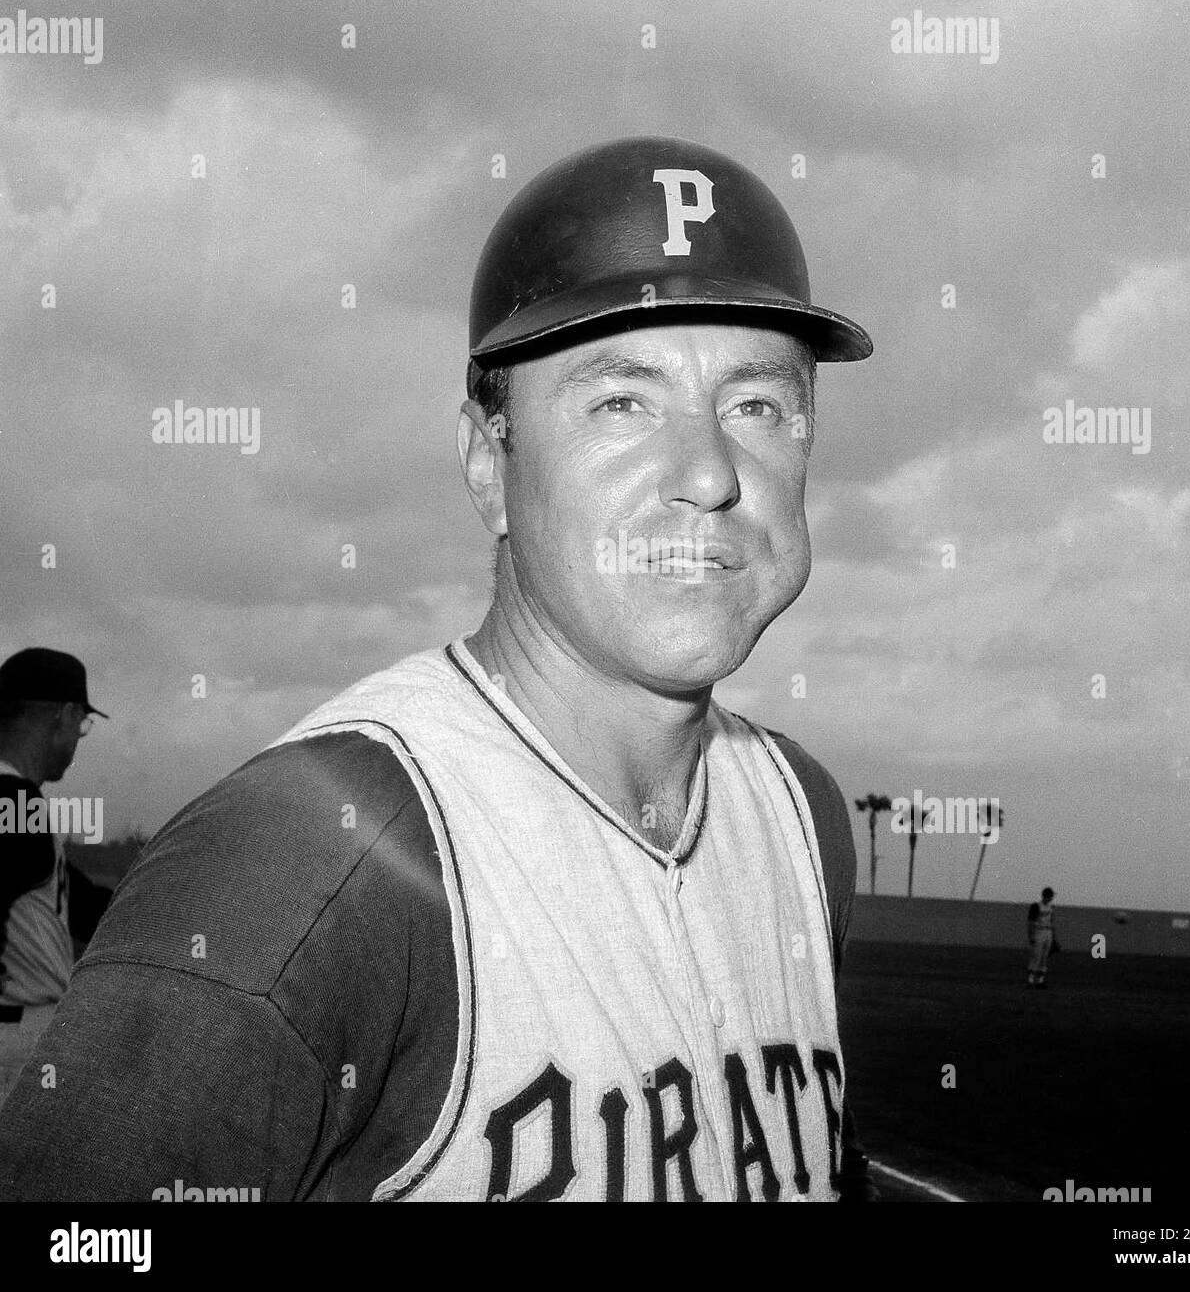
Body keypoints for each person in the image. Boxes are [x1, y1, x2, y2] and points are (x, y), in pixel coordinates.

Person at [0, 136, 874, 1201]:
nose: (708, 473)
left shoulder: (801, 819)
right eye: (620, 401)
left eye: (758, 406)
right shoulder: (305, 863)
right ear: (486, 466)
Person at [0, 648, 112, 1107]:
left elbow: (86, 908)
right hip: (15, 1037)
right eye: (83, 722)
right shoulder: (13, 804)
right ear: (65, 714)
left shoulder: (21, 804)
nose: (80, 736)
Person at [1027, 887, 1057, 988]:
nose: (1052, 898)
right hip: (1039, 931)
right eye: (1050, 896)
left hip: (1048, 932)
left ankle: (1040, 981)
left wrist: (1054, 937)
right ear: (1046, 896)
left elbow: (1052, 922)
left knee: (1044, 957)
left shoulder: (1051, 907)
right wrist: (1031, 936)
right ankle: (1030, 980)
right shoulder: (1036, 906)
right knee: (1036, 956)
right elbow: (1030, 922)